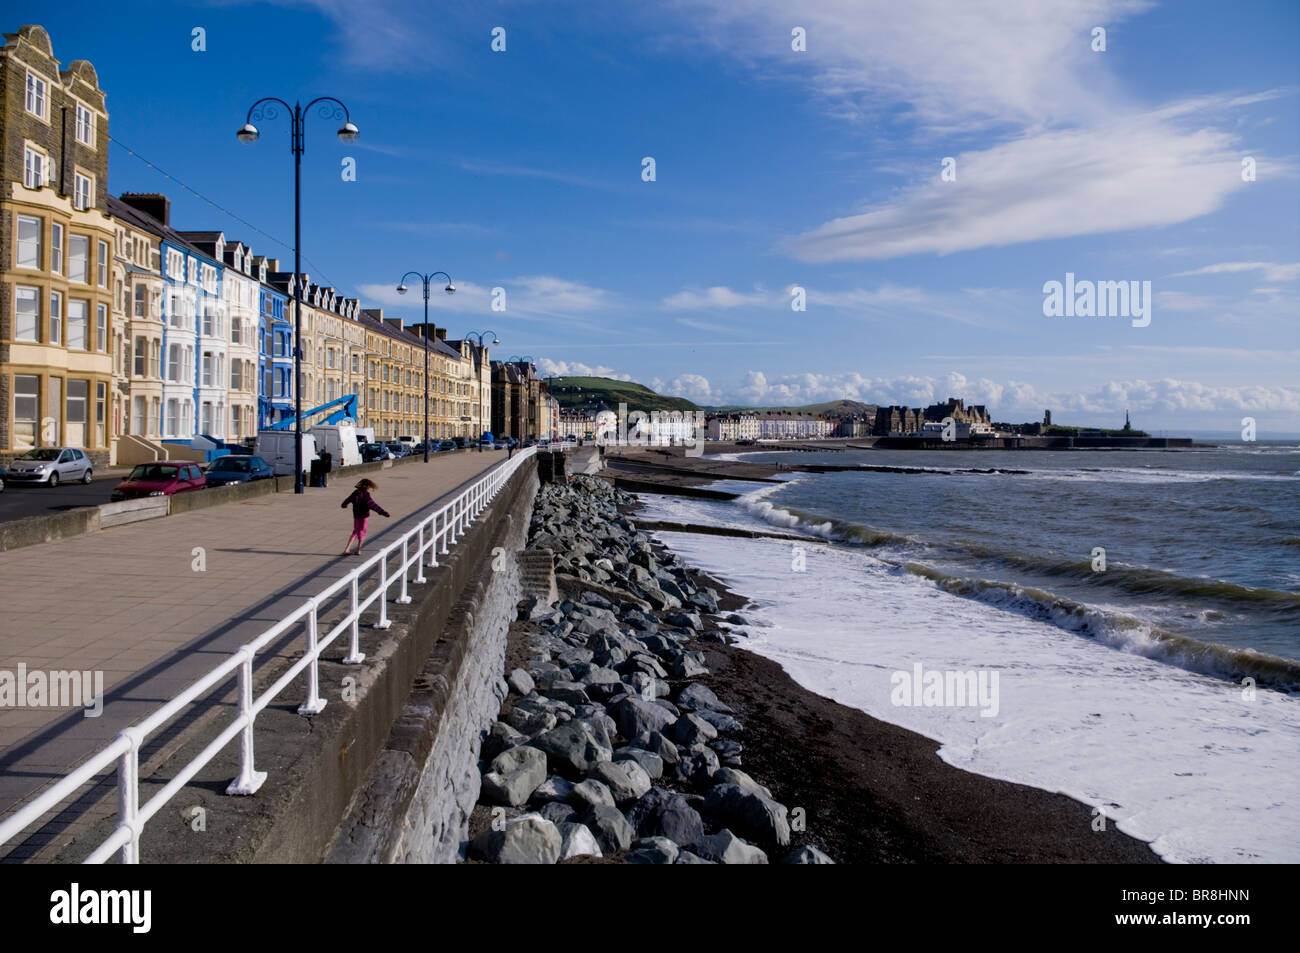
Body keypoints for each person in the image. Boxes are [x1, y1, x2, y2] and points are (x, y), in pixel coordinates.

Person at [341, 478, 390, 556]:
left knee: (355, 531)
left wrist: (344, 504)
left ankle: (347, 549)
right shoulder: (366, 495)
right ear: (368, 486)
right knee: (362, 532)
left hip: (356, 515)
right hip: (364, 516)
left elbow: (348, 499)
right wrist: (382, 512)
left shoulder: (355, 493)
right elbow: (373, 505)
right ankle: (358, 550)